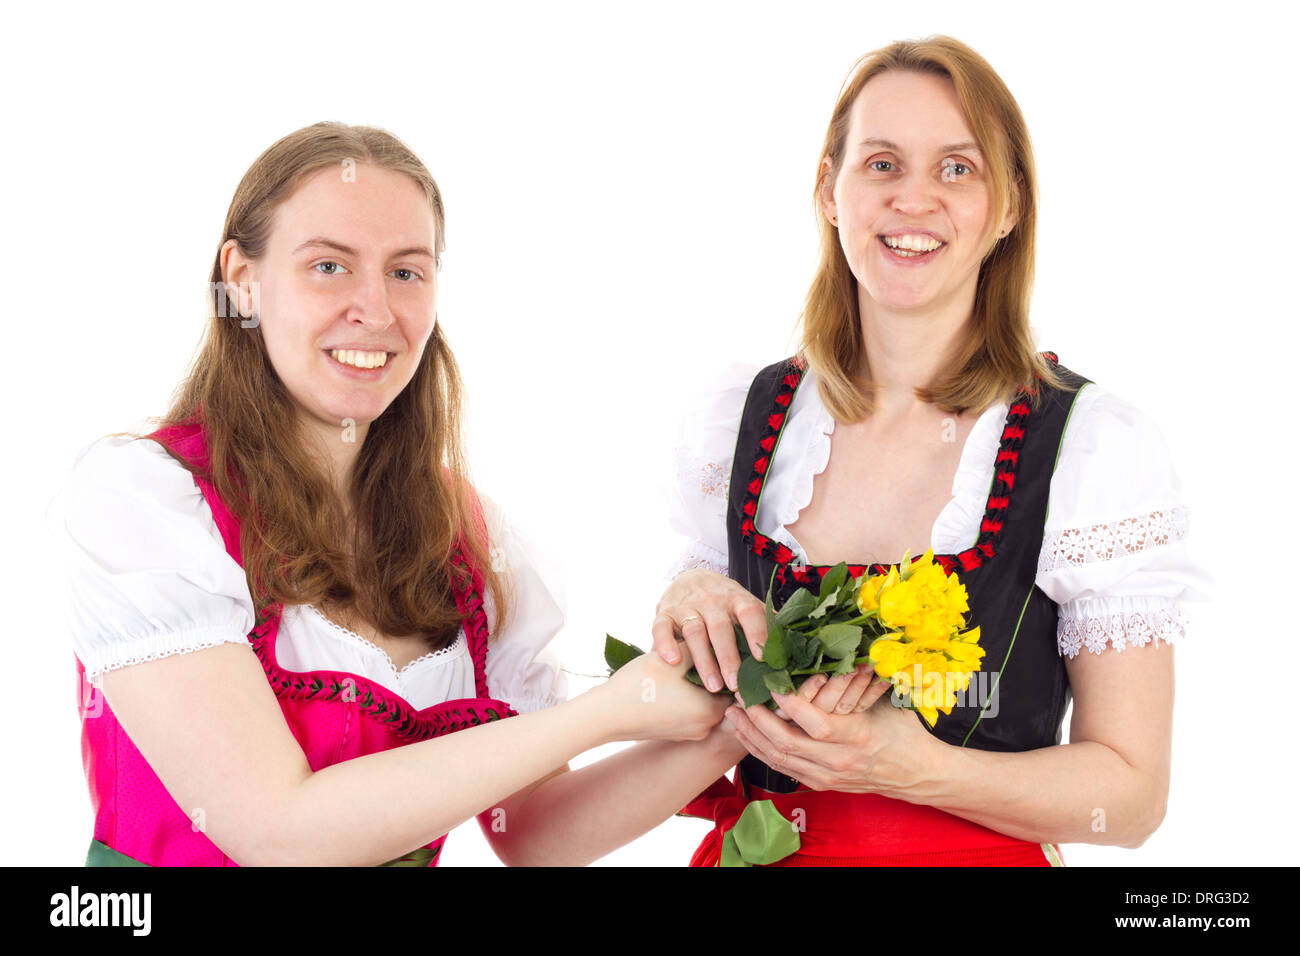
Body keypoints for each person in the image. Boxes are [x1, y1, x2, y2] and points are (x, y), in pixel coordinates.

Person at [47, 121, 748, 867]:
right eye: (329, 267)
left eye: (406, 273)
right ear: (242, 282)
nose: (376, 312)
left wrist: (745, 715)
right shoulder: (147, 499)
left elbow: (536, 835)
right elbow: (276, 833)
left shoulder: (470, 539)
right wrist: (614, 710)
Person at [651, 36, 1213, 866]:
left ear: (1010, 206)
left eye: (958, 169)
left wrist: (923, 772)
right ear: (829, 190)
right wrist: (690, 604)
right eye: (882, 164)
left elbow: (1130, 800)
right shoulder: (740, 421)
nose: (914, 200)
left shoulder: (1089, 449)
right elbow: (680, 724)